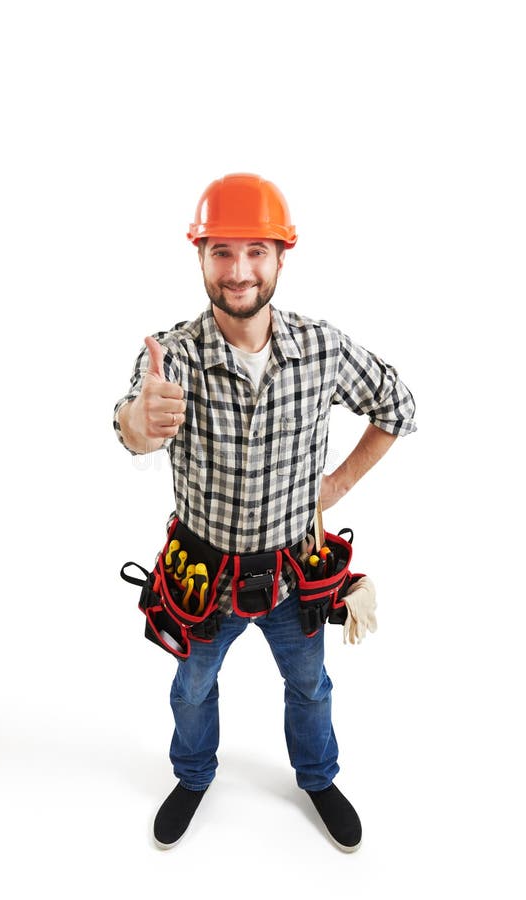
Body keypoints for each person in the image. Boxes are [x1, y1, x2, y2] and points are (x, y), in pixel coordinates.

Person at [113, 173, 416, 851]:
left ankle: (317, 778)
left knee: (310, 686)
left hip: (293, 577)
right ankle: (194, 776)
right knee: (193, 690)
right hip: (203, 581)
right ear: (200, 256)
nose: (239, 270)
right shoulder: (173, 356)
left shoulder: (324, 349)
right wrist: (139, 419)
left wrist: (336, 485)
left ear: (282, 256)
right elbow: (132, 423)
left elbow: (398, 407)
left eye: (256, 251)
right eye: (221, 251)